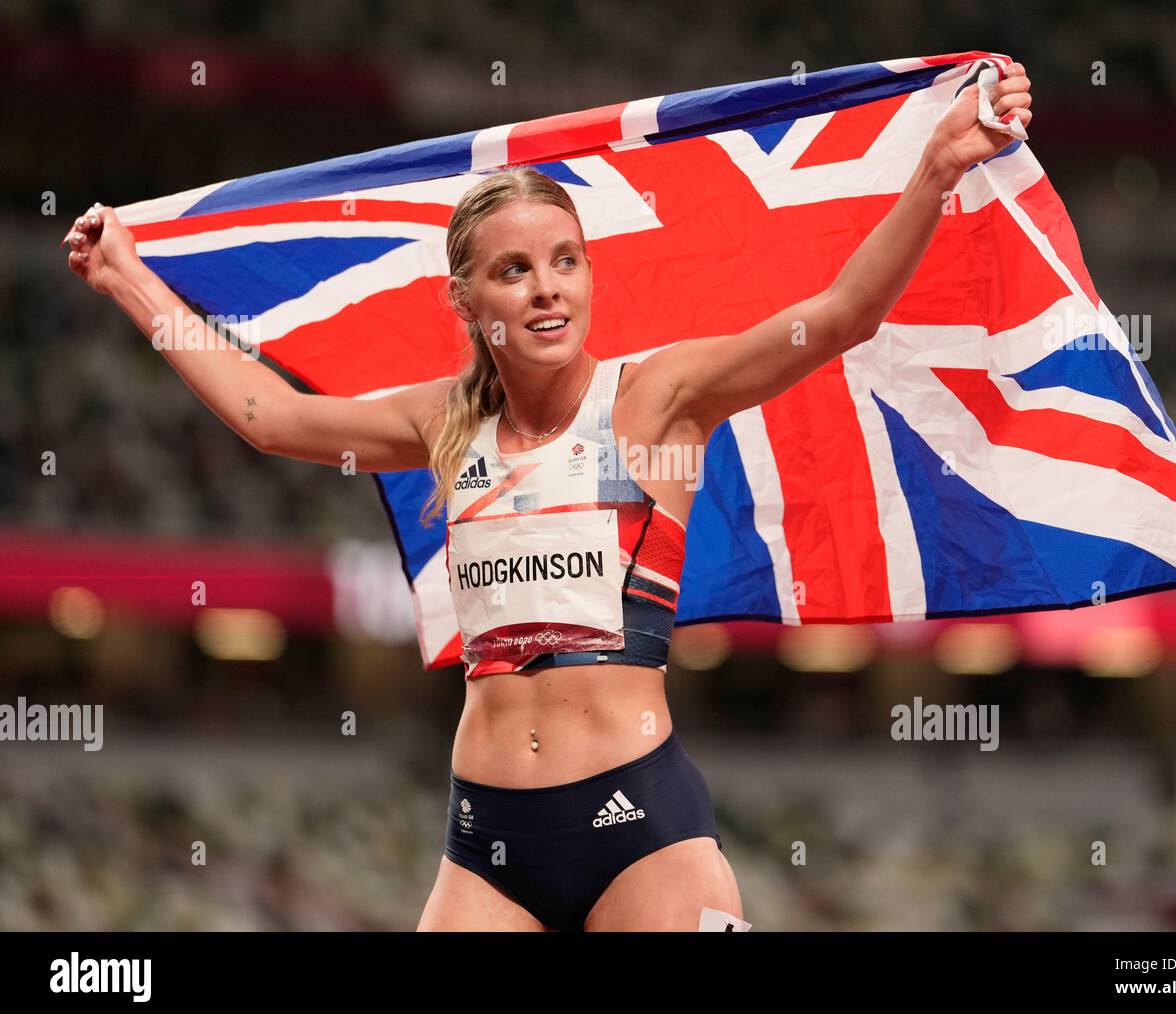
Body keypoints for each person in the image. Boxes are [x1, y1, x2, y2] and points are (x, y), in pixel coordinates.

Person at [64, 63, 1032, 931]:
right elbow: (267, 415)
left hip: (641, 827)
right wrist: (128, 278)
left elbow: (835, 319)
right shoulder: (440, 423)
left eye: (564, 260)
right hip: (485, 840)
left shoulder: (656, 400)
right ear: (465, 301)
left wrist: (937, 167)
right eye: (512, 270)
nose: (544, 289)